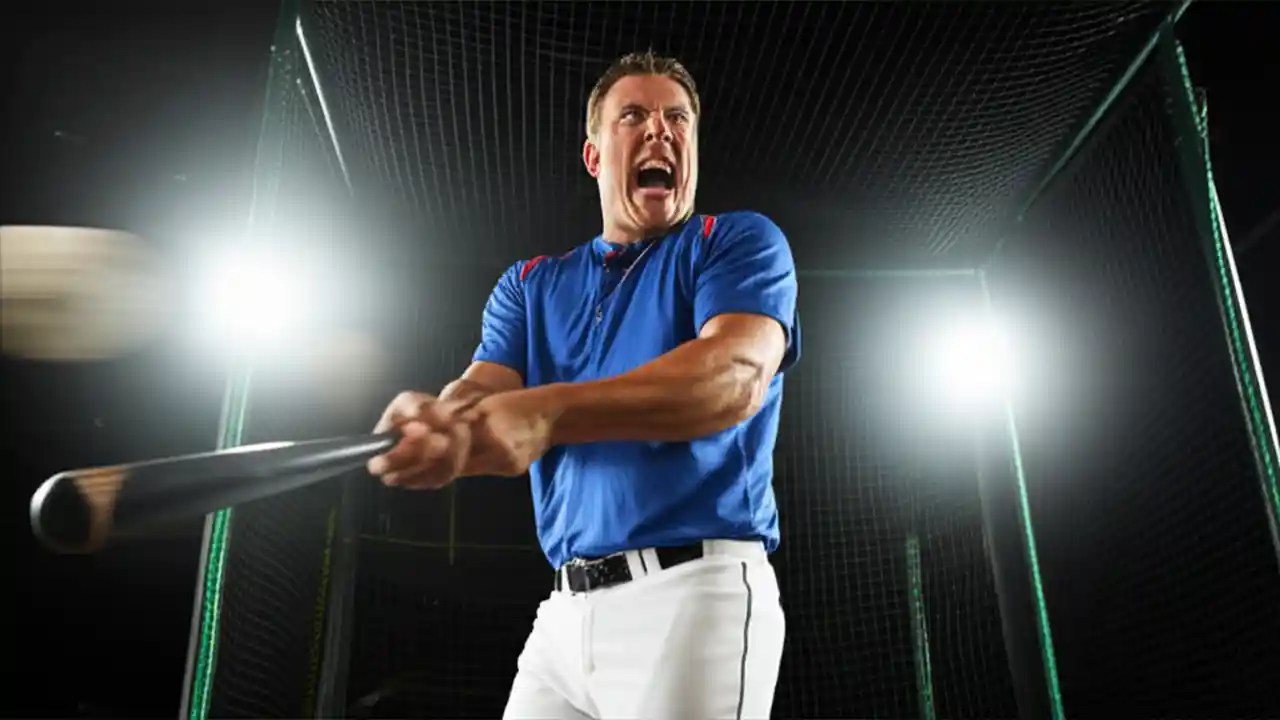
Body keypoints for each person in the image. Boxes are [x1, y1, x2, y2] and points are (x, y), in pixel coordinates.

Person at [366, 50, 801, 720]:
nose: (660, 130)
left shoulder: (735, 242)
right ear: (594, 156)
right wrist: (439, 423)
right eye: (634, 115)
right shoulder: (530, 285)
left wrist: (547, 413)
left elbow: (732, 378)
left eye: (677, 118)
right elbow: (480, 395)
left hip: (695, 593)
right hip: (565, 614)